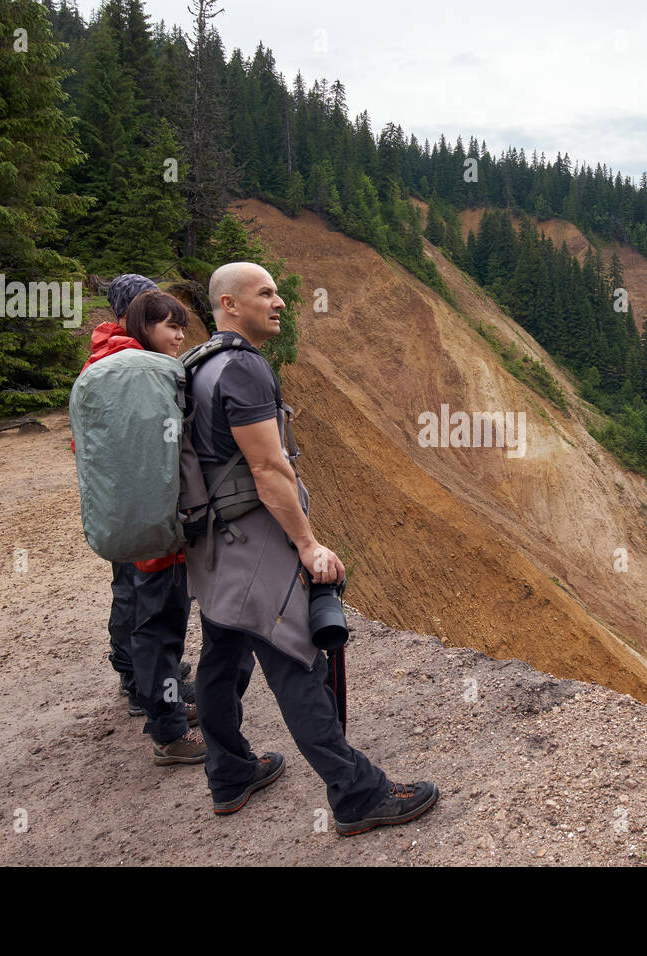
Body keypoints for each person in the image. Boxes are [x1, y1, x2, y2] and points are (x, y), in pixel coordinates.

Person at [185, 260, 437, 834]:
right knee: (297, 661)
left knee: (222, 658)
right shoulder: (244, 368)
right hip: (255, 544)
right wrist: (307, 543)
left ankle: (229, 775)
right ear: (229, 304)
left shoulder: (198, 364)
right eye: (265, 293)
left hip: (214, 544)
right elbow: (269, 468)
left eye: (278, 291)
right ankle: (357, 794)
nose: (279, 302)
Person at [77, 275, 199, 765]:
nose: (180, 337)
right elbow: (155, 449)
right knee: (155, 624)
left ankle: (156, 698)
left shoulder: (102, 362)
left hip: (129, 515)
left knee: (150, 619)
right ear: (141, 321)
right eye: (170, 325)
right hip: (153, 522)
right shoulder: (141, 372)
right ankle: (165, 726)